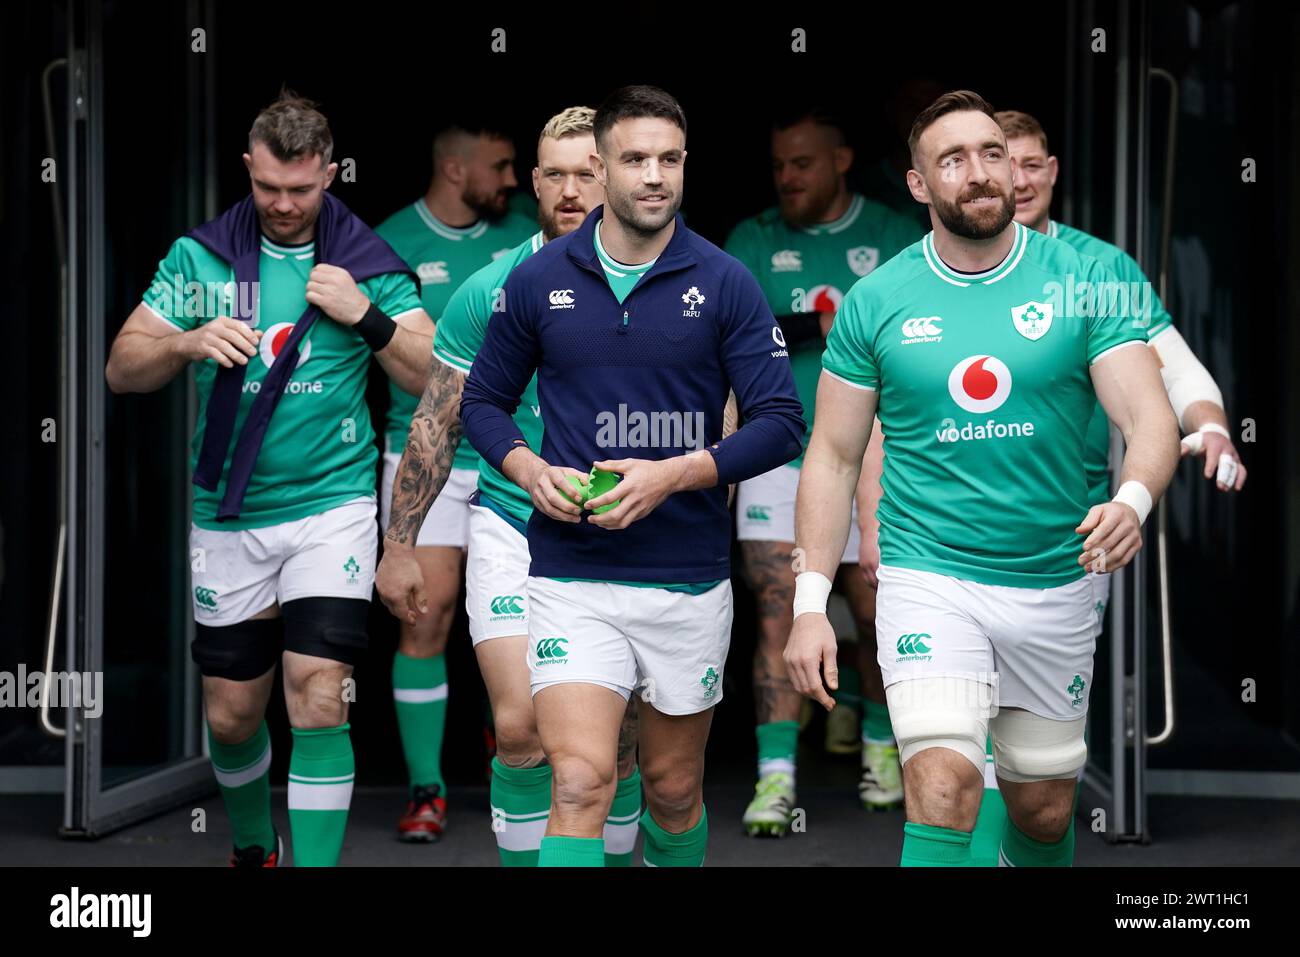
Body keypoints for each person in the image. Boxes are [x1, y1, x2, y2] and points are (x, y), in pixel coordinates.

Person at [785, 90, 1180, 867]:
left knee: (1039, 807)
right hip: (929, 573)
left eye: (992, 153)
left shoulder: (1082, 281)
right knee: (943, 786)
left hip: (1056, 576)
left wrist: (1134, 499)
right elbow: (831, 456)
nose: (980, 173)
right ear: (919, 185)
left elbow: (1150, 418)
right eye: (954, 160)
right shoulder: (879, 300)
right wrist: (809, 602)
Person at [460, 85, 805, 866]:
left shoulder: (725, 282)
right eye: (636, 159)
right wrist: (527, 465)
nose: (655, 176)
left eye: (670, 159)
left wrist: (677, 474)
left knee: (672, 789)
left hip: (684, 576)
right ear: (603, 168)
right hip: (571, 573)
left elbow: (782, 421)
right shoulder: (538, 277)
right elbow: (482, 401)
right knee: (579, 782)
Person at [105, 90, 435, 866]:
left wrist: (369, 318)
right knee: (229, 715)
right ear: (248, 168)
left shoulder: (368, 260)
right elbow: (122, 367)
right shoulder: (201, 258)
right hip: (229, 510)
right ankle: (256, 845)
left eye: (302, 188)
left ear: (330, 172)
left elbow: (429, 377)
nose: (284, 206)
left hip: (334, 505)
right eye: (269, 188)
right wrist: (185, 343)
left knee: (320, 692)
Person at [377, 106, 645, 865]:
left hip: (629, 532)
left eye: (586, 172)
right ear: (533, 182)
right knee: (523, 724)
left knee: (618, 747)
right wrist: (400, 545)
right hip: (510, 519)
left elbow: (716, 409)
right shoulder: (491, 288)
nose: (570, 190)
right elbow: (436, 423)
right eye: (553, 174)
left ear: (617, 173)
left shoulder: (673, 279)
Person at [725, 107, 921, 834]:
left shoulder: (897, 235)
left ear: (842, 161)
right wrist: (813, 328)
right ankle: (775, 778)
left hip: (881, 453)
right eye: (778, 165)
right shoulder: (752, 238)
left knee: (877, 611)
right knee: (779, 612)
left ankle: (880, 748)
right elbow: (726, 335)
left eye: (802, 164)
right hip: (779, 451)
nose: (787, 179)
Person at [372, 120, 536, 839]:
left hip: (519, 454)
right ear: (452, 166)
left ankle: (522, 752)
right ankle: (427, 788)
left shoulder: (536, 237)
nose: (513, 182)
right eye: (500, 166)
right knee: (426, 620)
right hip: (425, 450)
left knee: (533, 628)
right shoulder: (389, 239)